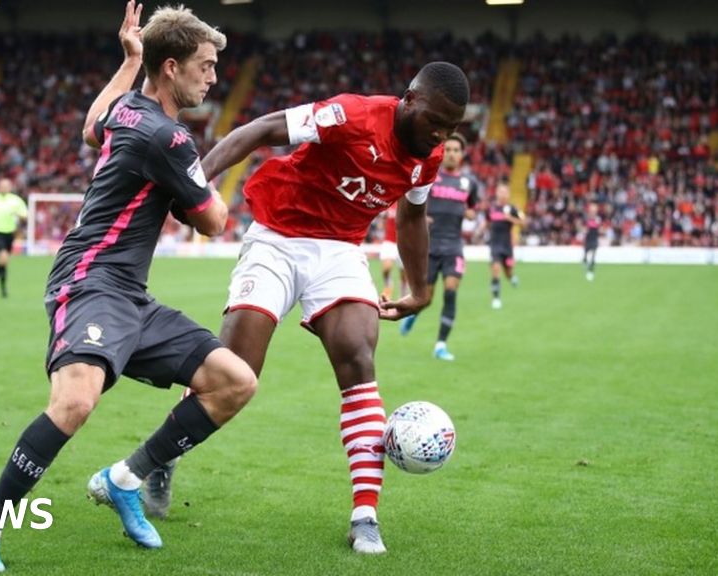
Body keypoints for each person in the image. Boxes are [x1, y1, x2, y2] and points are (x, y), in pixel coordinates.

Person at [0, 3, 257, 571]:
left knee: (234, 382)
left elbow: (92, 126)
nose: (214, 77)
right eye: (207, 65)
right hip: (89, 281)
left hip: (128, 295)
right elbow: (214, 221)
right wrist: (201, 182)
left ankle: (124, 479)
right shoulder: (167, 139)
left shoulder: (132, 110)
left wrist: (128, 62)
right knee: (74, 401)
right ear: (172, 67)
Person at [144, 61, 470, 554]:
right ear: (410, 99)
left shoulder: (430, 156)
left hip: (339, 249)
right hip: (277, 236)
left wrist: (420, 289)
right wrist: (195, 184)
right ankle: (161, 458)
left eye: (451, 127)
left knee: (360, 357)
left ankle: (365, 515)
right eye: (435, 121)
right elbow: (260, 130)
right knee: (233, 373)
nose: (440, 135)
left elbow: (412, 215)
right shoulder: (352, 115)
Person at [398, 133, 478, 361]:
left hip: (453, 246)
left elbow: (473, 208)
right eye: (449, 149)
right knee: (427, 297)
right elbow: (413, 202)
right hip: (430, 247)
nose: (452, 153)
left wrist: (471, 213)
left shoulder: (469, 183)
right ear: (443, 153)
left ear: (462, 155)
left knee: (451, 292)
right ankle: (413, 316)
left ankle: (441, 345)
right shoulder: (430, 177)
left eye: (456, 150)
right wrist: (422, 217)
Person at [485, 181, 525, 309]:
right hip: (494, 245)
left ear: (508, 194)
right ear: (496, 193)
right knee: (496, 270)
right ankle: (496, 299)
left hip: (507, 246)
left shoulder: (513, 209)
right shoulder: (491, 208)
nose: (502, 194)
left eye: (505, 192)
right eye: (500, 192)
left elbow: (523, 223)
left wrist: (510, 219)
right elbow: (487, 222)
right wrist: (481, 230)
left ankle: (512, 277)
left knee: (508, 273)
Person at [378, 205, 408, 299]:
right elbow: (382, 218)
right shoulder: (390, 202)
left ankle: (403, 293)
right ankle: (388, 285)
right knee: (386, 268)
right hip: (389, 242)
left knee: (404, 273)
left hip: (403, 242)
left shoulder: (407, 203)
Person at [583, 202, 600, 282]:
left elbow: (599, 228)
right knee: (586, 255)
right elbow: (584, 229)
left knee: (593, 255)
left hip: (594, 239)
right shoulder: (587, 219)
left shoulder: (597, 219)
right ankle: (586, 263)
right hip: (588, 239)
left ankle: (590, 270)